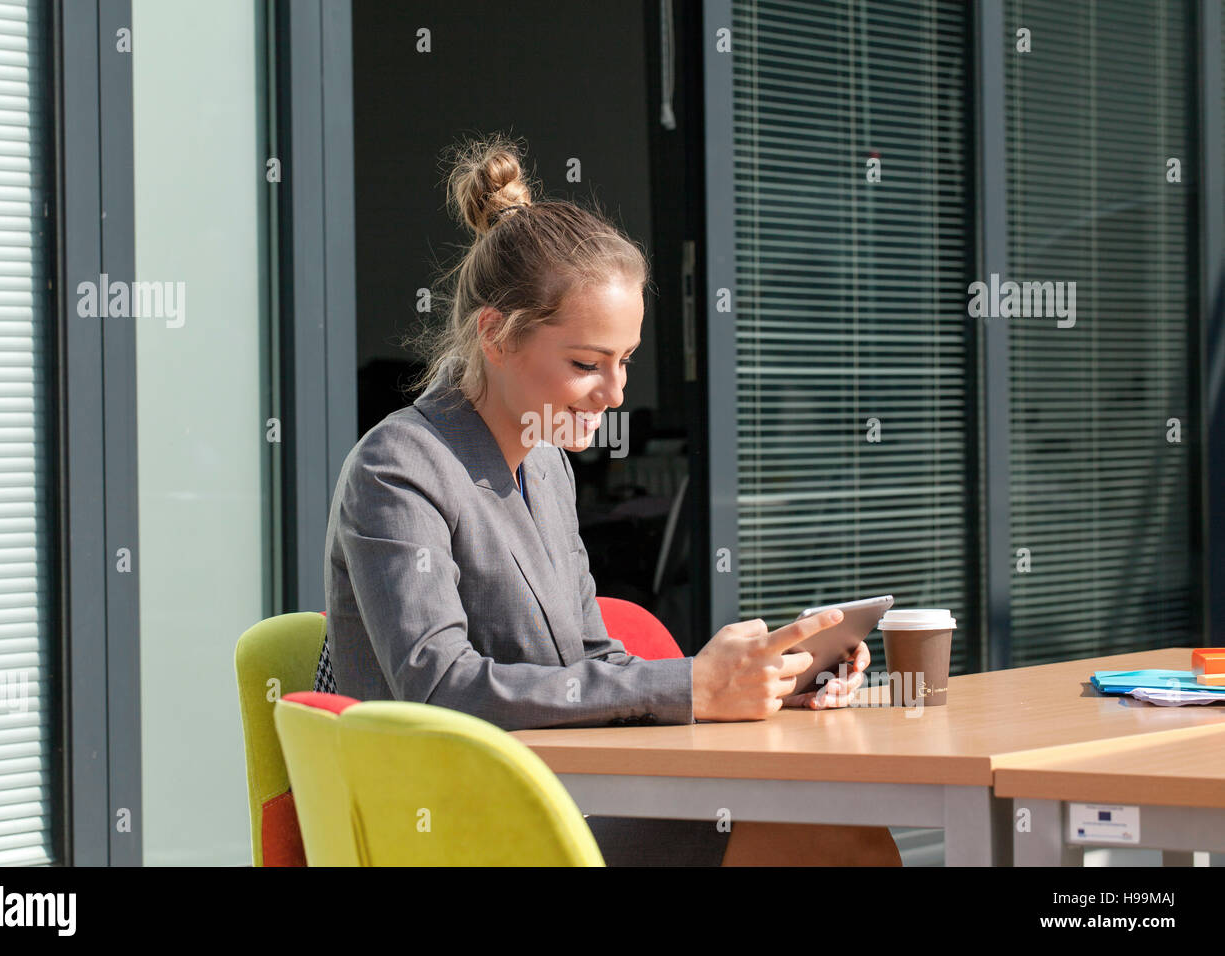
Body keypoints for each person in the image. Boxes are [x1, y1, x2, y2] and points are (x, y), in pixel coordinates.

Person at [313, 134, 900, 866]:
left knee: (844, 830)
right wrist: (690, 683)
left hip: (568, 795)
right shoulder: (398, 468)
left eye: (624, 361)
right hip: (462, 828)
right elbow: (440, 691)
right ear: (495, 335)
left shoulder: (546, 463)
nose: (616, 394)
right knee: (820, 839)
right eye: (587, 364)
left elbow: (588, 657)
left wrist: (768, 682)